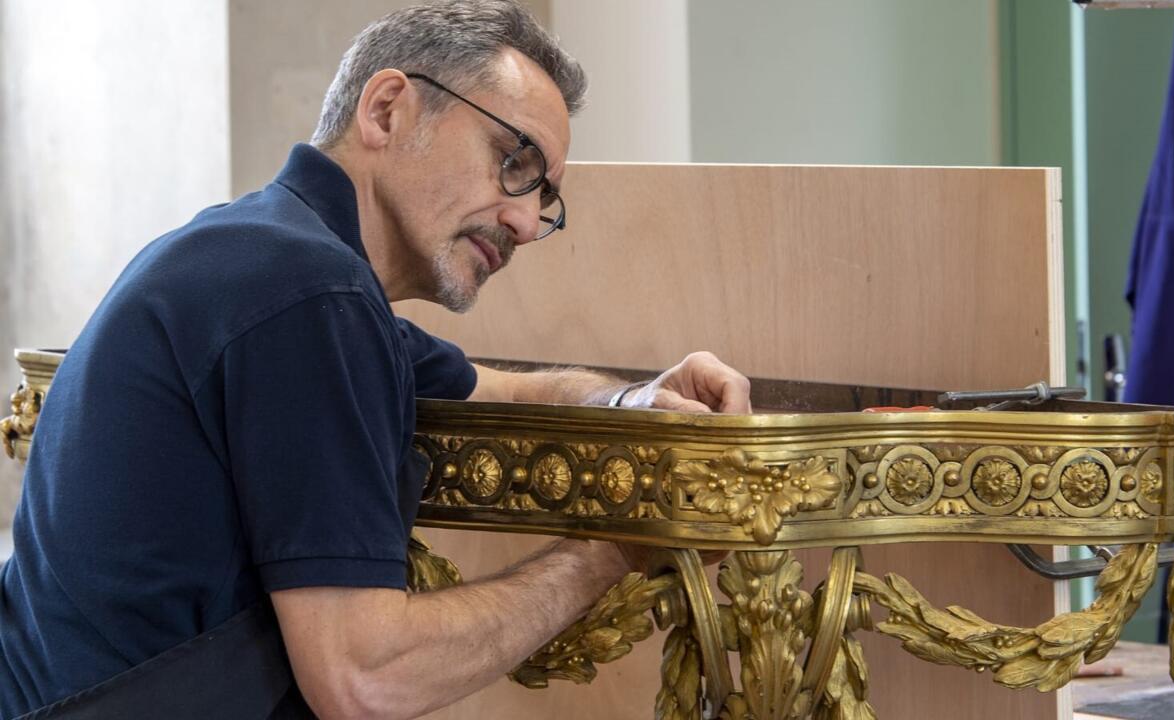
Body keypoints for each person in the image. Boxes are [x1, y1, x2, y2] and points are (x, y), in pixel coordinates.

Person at [0, 2, 751, 718]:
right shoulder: (308, 294)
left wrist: (630, 402)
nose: (525, 220)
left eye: (544, 196)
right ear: (388, 108)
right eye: (511, 160)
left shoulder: (260, 253)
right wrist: (613, 550)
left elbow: (480, 385)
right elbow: (363, 679)